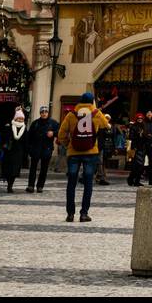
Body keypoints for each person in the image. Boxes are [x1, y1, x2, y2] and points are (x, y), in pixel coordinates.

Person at [57, 92, 110, 223]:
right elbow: (106, 125)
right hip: (91, 152)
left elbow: (61, 134)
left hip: (73, 153)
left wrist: (68, 144)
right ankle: (84, 214)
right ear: (92, 101)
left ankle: (70, 214)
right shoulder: (96, 113)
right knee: (88, 183)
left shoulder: (71, 115)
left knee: (71, 183)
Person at [25, 106, 59, 193]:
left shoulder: (53, 123)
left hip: (46, 149)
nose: (44, 113)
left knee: (44, 169)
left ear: (48, 113)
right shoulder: (35, 123)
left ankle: (40, 186)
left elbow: (60, 131)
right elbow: (29, 136)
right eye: (42, 112)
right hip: (35, 148)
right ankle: (31, 186)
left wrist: (53, 133)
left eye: (46, 112)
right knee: (33, 168)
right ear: (40, 113)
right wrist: (29, 149)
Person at [1, 108, 28, 193]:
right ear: (15, 118)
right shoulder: (9, 126)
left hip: (18, 151)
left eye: (22, 118)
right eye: (19, 118)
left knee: (15, 170)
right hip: (9, 151)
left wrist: (26, 152)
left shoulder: (24, 128)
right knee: (9, 169)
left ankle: (10, 185)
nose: (20, 120)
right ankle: (9, 184)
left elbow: (26, 140)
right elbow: (3, 137)